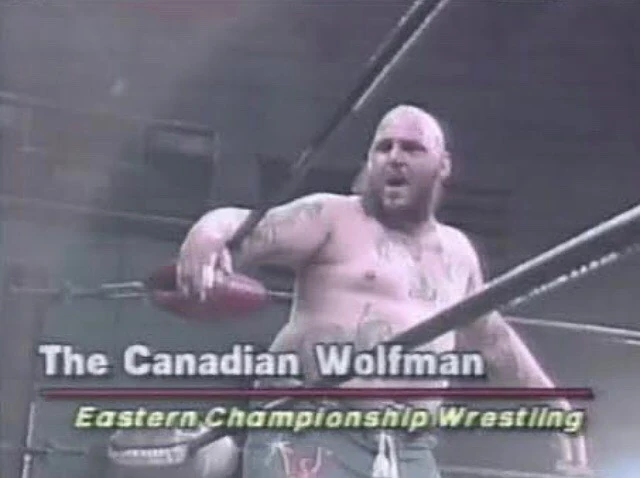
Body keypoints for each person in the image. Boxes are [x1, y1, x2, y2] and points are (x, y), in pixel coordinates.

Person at [176, 105, 592, 478]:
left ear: (443, 165)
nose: (394, 156)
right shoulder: (333, 216)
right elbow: (246, 225)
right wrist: (208, 231)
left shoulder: (457, 253)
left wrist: (554, 405)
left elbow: (493, 340)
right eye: (383, 147)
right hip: (313, 427)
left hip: (408, 448)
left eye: (412, 148)